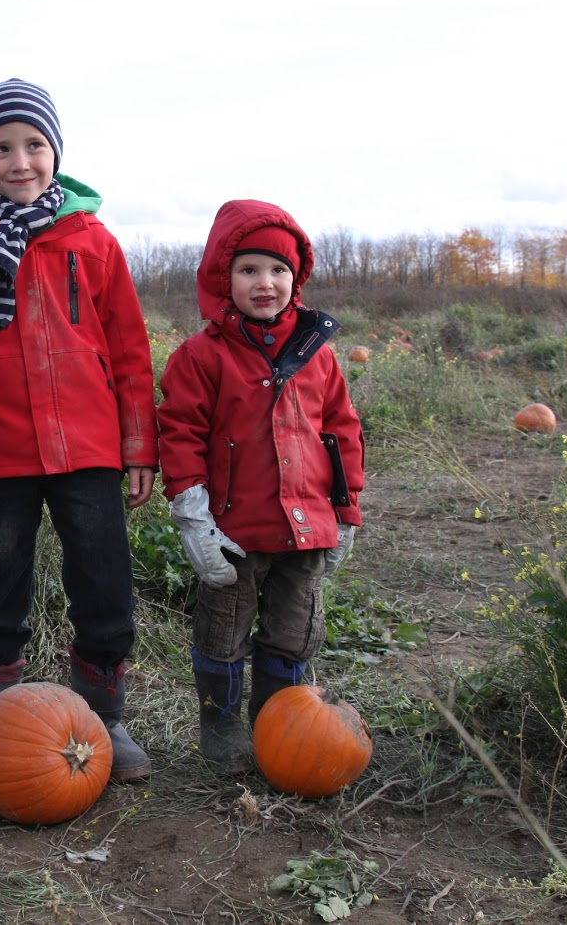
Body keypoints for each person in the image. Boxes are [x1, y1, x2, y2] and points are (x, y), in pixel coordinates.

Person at [0, 78, 159, 791]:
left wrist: (139, 446)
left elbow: (131, 352)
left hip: (88, 450)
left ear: (56, 151)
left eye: (33, 145)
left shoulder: (94, 240)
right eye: (1, 148)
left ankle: (101, 720)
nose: (19, 161)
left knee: (104, 586)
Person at [156, 199, 364, 773]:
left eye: (278, 270)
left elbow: (342, 432)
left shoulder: (317, 356)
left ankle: (277, 729)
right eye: (248, 270)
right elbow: (179, 434)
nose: (264, 283)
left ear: (296, 280)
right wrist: (193, 513)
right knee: (223, 632)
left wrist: (346, 510)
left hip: (308, 527)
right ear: (225, 279)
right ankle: (220, 722)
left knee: (294, 634)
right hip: (234, 529)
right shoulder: (200, 357)